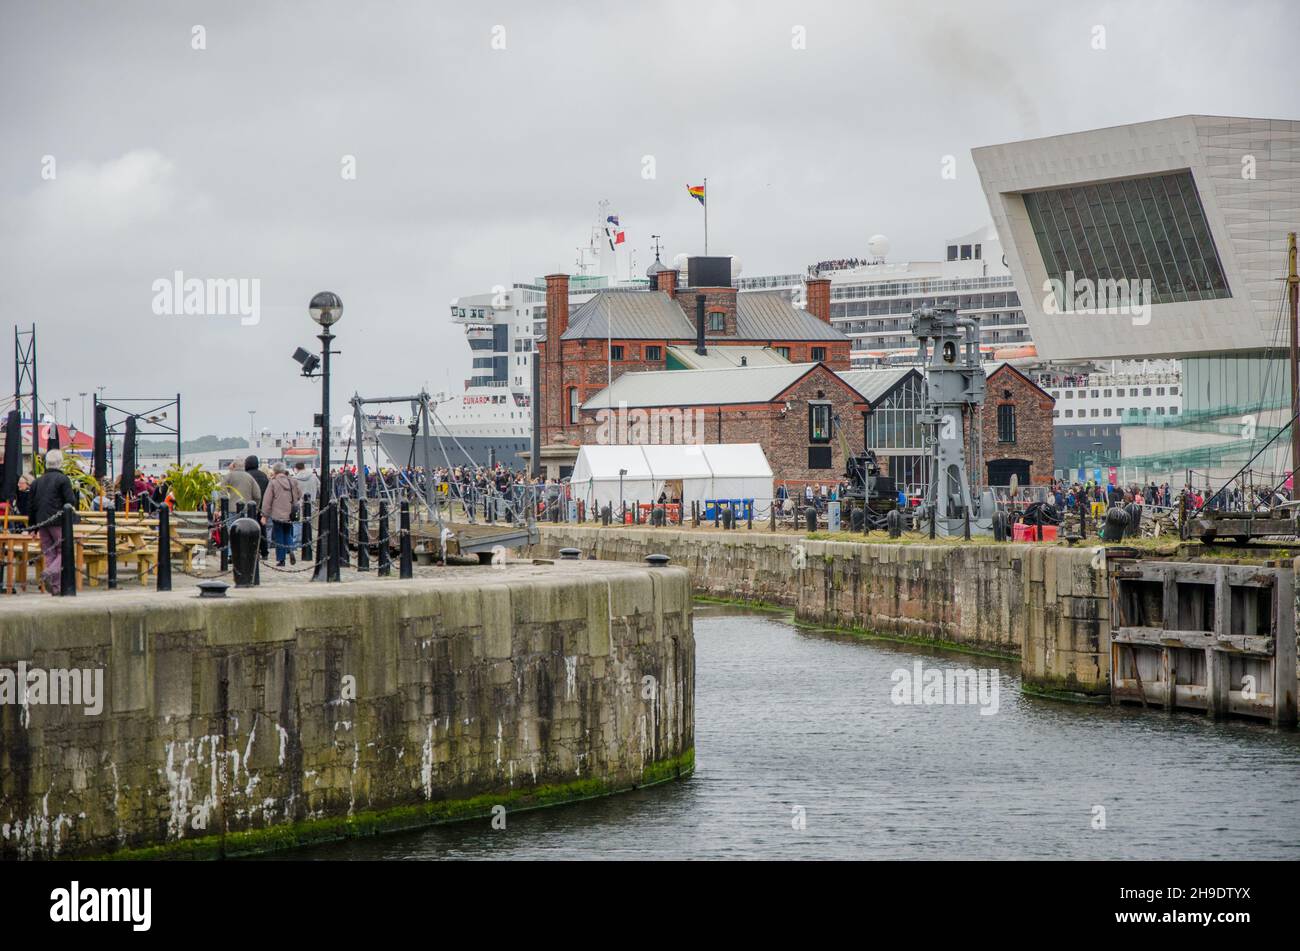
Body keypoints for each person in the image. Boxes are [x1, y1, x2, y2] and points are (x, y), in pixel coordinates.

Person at [27, 449, 77, 595]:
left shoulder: (37, 481)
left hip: (42, 521)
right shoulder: (63, 480)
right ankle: (50, 573)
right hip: (58, 521)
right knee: (64, 550)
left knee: (49, 552)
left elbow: (31, 505)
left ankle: (56, 588)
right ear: (60, 463)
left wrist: (32, 527)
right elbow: (70, 501)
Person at [262, 462, 303, 567]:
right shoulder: (292, 481)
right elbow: (299, 494)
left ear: (275, 471)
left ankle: (281, 559)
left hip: (277, 513)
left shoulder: (273, 482)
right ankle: (290, 548)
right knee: (288, 532)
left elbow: (267, 500)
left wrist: (264, 515)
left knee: (279, 535)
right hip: (290, 513)